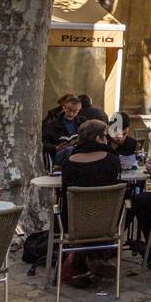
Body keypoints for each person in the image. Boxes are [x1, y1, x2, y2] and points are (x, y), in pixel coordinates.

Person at [58, 119, 124, 286]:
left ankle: (84, 261)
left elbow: (64, 193)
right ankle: (95, 259)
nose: (107, 140)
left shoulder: (69, 163)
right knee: (125, 203)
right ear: (97, 138)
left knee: (65, 211)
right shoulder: (111, 160)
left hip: (74, 224)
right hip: (106, 223)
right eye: (105, 136)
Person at [42, 94, 82, 161]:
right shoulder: (52, 124)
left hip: (78, 151)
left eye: (75, 111)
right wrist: (55, 147)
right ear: (64, 108)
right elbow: (43, 142)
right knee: (69, 150)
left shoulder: (82, 122)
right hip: (59, 153)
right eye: (69, 109)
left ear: (79, 110)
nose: (71, 113)